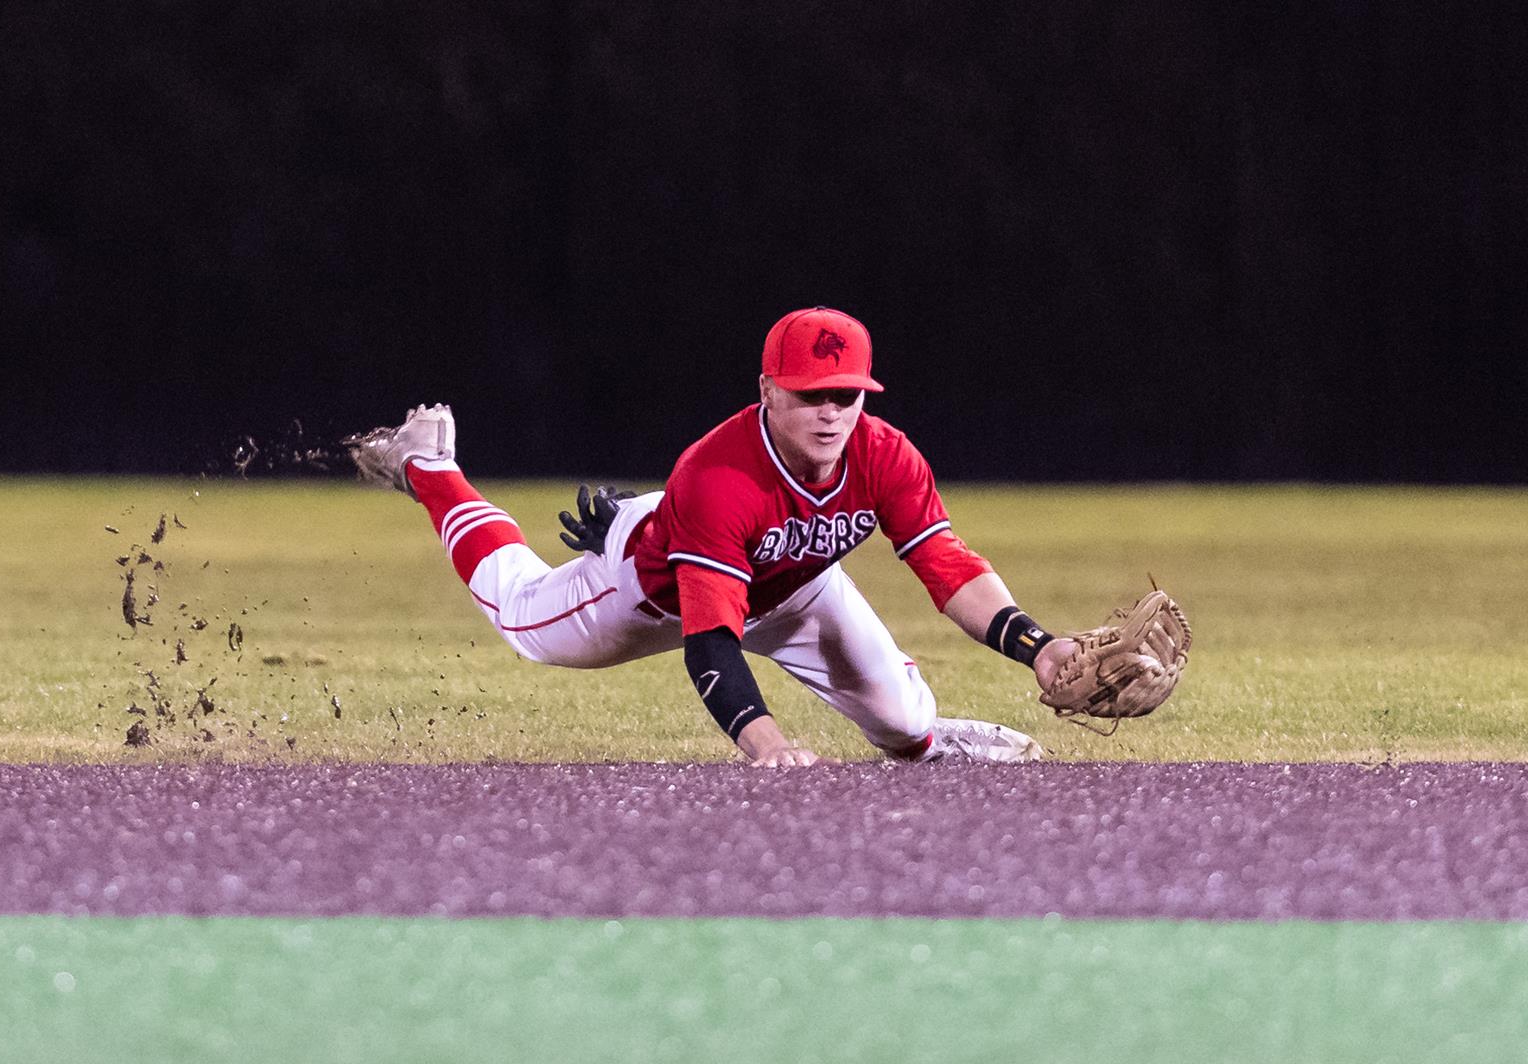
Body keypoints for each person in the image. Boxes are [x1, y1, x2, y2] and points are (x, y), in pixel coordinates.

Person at [346, 307, 1081, 766]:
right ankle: (430, 463)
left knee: (904, 726)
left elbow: (948, 568)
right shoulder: (719, 478)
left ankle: (933, 737)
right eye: (809, 395)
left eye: (846, 395)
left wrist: (1040, 646)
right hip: (655, 587)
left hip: (796, 583)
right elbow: (709, 638)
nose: (830, 413)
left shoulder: (886, 455)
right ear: (767, 390)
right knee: (522, 619)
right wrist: (764, 739)